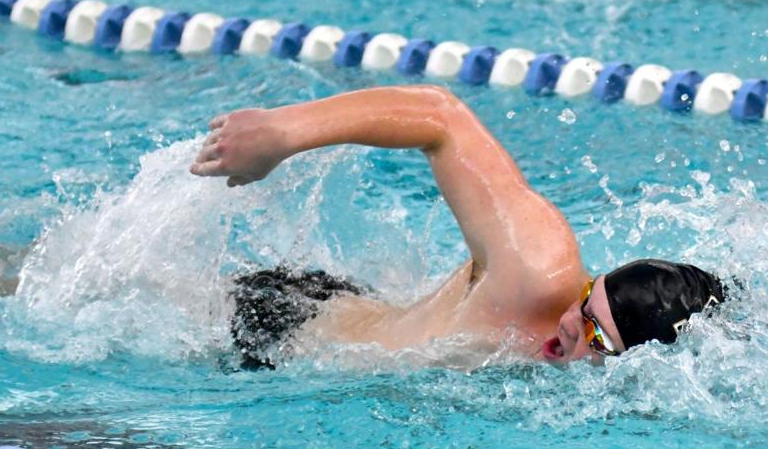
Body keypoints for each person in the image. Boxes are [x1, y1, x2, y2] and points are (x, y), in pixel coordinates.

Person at [188, 85, 725, 368]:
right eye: (585, 302)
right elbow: (441, 117)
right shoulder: (536, 266)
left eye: (596, 336)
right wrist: (281, 133)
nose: (569, 324)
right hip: (279, 327)